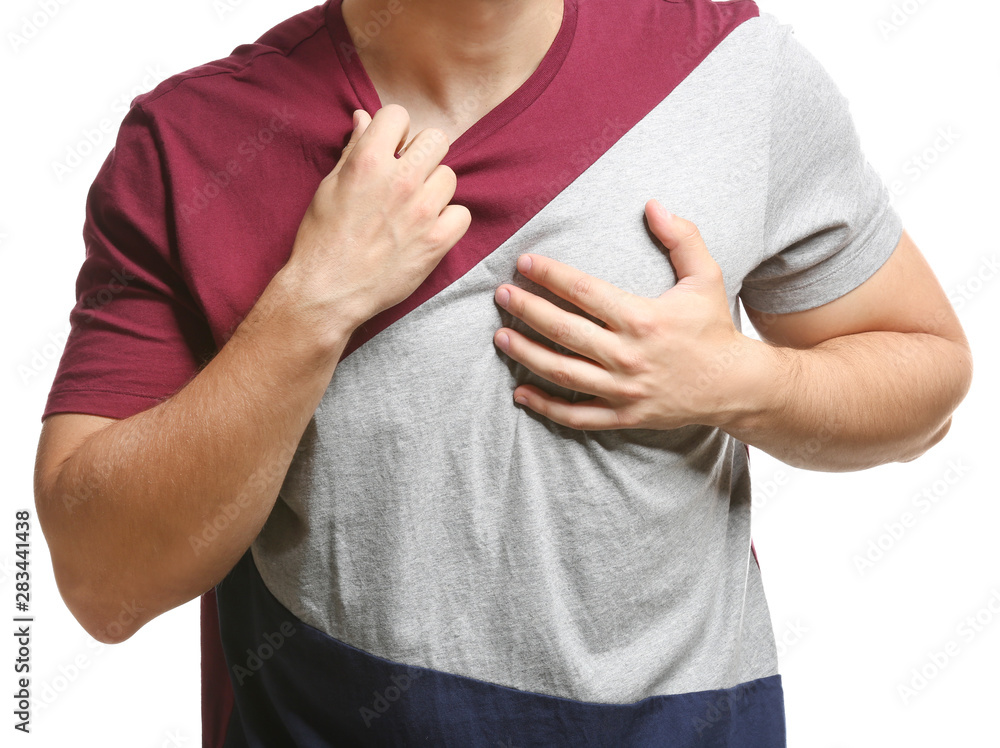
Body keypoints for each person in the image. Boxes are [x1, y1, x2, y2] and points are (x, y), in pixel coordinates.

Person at [33, 0, 972, 745]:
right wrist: (312, 303)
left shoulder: (732, 68)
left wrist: (739, 383)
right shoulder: (189, 143)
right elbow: (102, 581)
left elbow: (926, 379)